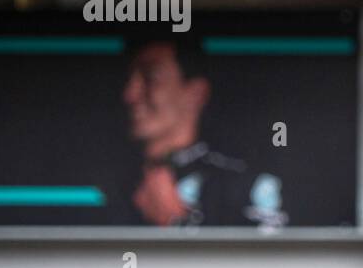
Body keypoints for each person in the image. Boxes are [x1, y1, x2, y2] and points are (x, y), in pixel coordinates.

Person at [116, 37, 286, 230]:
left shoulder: (248, 186)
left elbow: (270, 258)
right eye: (127, 80)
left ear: (195, 93)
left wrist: (174, 223)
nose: (130, 94)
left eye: (151, 78)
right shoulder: (106, 187)